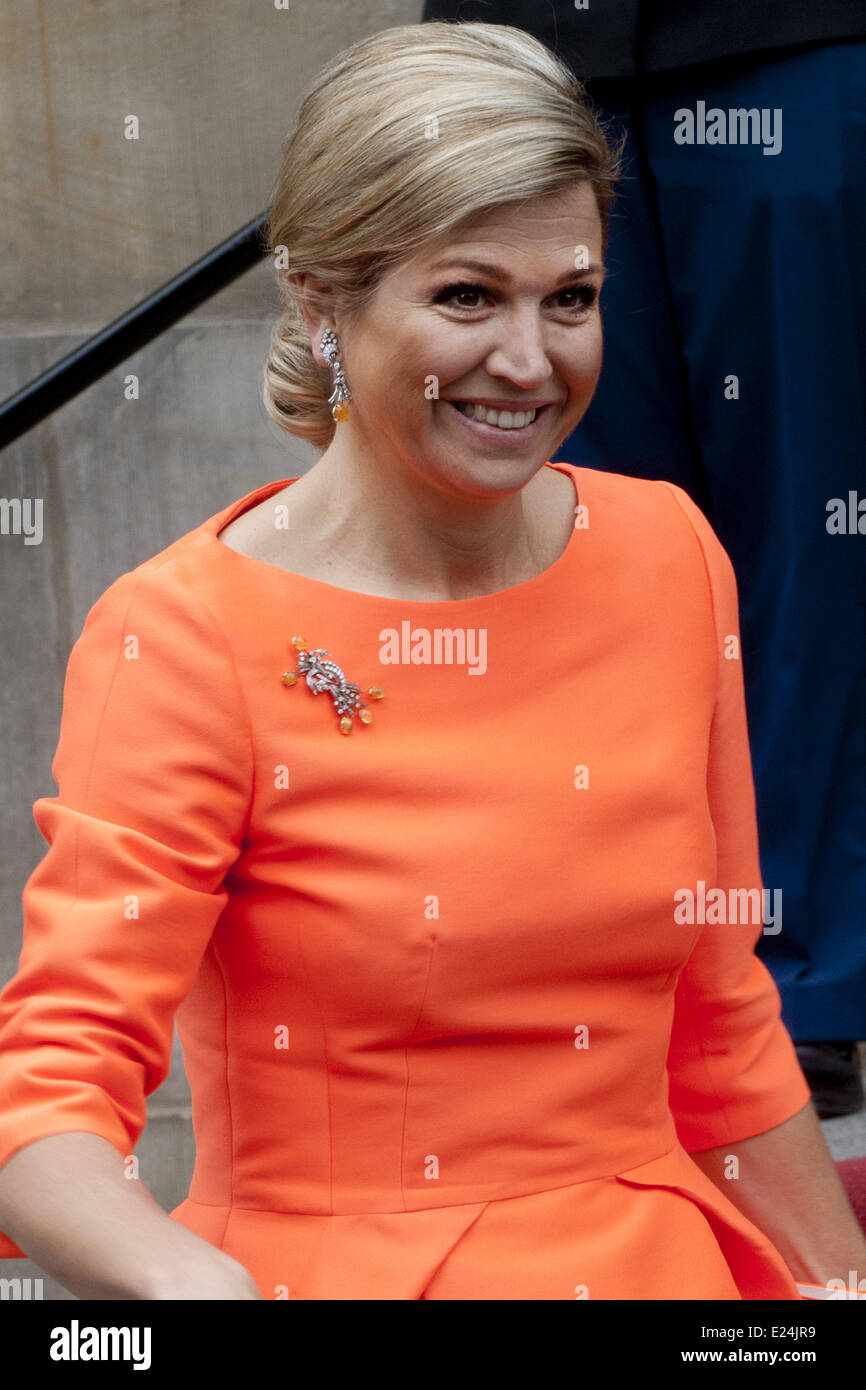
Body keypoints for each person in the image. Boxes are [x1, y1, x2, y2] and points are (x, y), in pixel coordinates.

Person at [0, 21, 863, 1301]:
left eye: (568, 297)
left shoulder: (667, 553)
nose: (530, 362)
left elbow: (719, 1020)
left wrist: (837, 1287)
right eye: (466, 295)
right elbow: (50, 1094)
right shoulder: (185, 630)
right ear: (321, 300)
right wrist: (193, 1288)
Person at [420, 2, 866, 1119]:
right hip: (527, 42)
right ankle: (605, 954)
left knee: (813, 530)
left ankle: (795, 985)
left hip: (796, 33)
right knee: (566, 528)